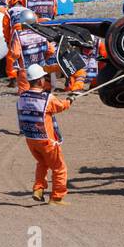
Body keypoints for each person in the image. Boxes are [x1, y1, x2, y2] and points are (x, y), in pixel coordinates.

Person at [17, 63, 72, 205]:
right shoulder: (48, 98)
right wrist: (70, 100)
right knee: (59, 168)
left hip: (31, 139)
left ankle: (38, 189)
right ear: (41, 80)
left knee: (42, 163)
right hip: (47, 141)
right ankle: (57, 197)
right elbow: (61, 106)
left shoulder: (21, 98)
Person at [11, 8, 58, 94]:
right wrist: (43, 58)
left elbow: (15, 53)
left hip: (25, 71)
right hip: (41, 69)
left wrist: (16, 64)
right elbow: (51, 50)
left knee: (24, 93)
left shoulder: (18, 35)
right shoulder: (41, 33)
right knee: (44, 90)